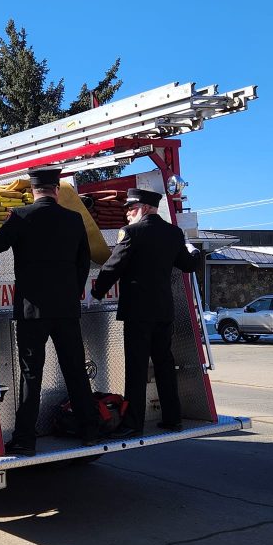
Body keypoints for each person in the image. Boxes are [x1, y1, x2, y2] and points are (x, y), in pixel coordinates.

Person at [0, 166, 100, 455]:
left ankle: (25, 439)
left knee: (31, 375)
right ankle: (90, 431)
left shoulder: (21, 216)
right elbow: (83, 264)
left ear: (34, 191)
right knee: (75, 371)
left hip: (32, 312)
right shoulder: (74, 220)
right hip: (66, 311)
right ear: (56, 191)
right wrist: (70, 296)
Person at [90, 187, 200, 437]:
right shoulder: (174, 233)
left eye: (131, 208)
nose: (127, 213)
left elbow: (113, 267)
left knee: (137, 368)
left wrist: (96, 294)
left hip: (137, 312)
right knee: (164, 364)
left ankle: (133, 423)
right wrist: (195, 251)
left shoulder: (131, 233)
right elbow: (187, 265)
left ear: (146, 208)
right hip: (163, 311)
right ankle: (173, 418)